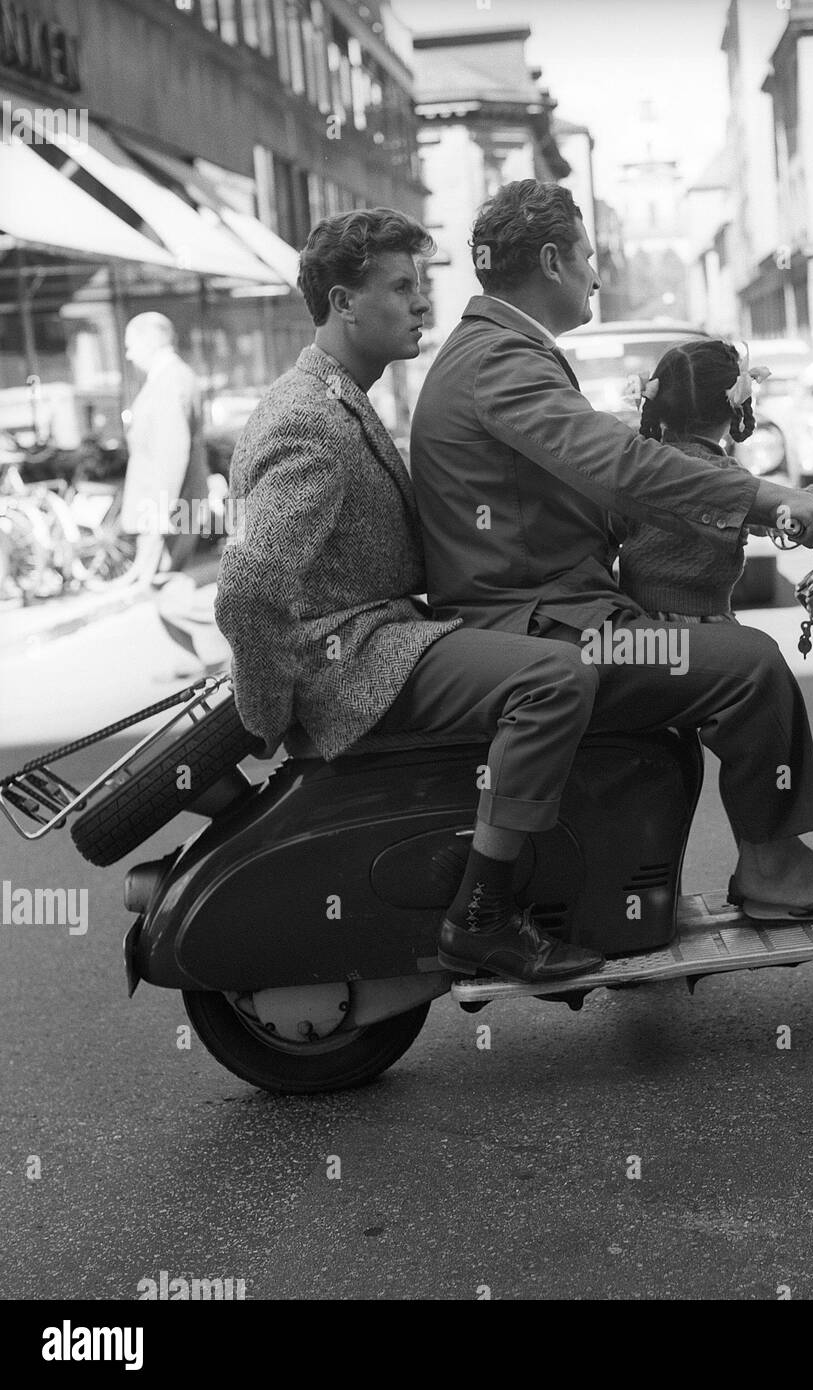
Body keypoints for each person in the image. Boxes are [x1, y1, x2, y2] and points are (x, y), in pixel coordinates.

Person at [410, 179, 813, 928]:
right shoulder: (501, 360)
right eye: (589, 256)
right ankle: (775, 867)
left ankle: (650, 889)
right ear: (554, 260)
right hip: (542, 626)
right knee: (746, 663)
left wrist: (724, 505)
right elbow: (619, 466)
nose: (598, 273)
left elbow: (597, 492)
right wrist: (768, 499)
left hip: (548, 611)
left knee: (713, 661)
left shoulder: (498, 351)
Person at [214, 207, 607, 986]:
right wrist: (266, 715)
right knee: (554, 679)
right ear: (341, 303)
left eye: (422, 284)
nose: (423, 303)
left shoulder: (339, 396)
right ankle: (481, 918)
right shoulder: (309, 421)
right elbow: (250, 588)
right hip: (354, 659)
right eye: (401, 286)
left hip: (379, 637)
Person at [619, 338, 813, 623]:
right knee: (768, 661)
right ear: (735, 406)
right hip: (702, 624)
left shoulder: (638, 464)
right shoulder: (728, 477)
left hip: (632, 622)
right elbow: (779, 511)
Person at [119, 312, 218, 678]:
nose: (129, 355)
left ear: (150, 341)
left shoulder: (169, 381)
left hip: (169, 504)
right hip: (175, 502)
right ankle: (191, 657)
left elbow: (172, 448)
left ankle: (237, 634)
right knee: (161, 580)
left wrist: (162, 507)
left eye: (131, 345)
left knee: (159, 581)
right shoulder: (174, 377)